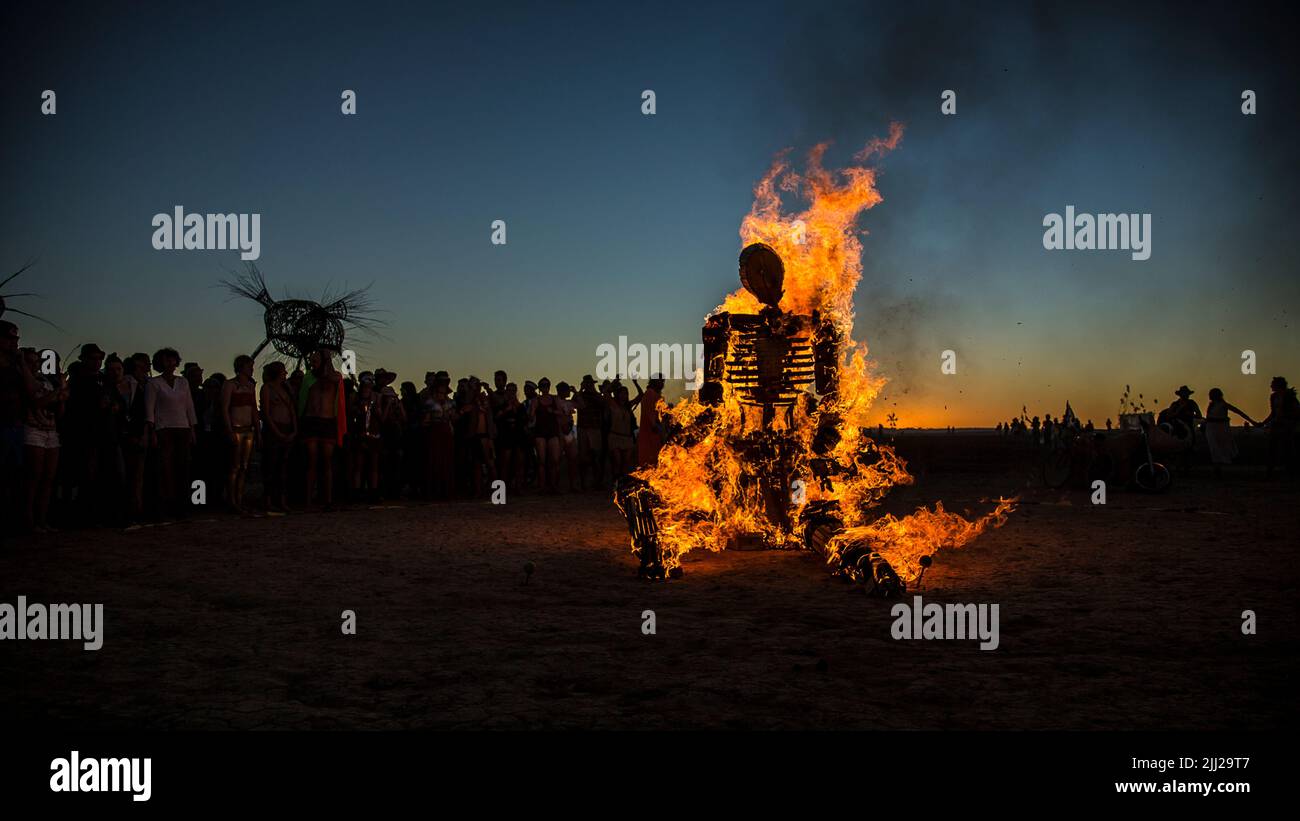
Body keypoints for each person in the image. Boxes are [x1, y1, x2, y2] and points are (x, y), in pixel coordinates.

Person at [144, 348, 197, 518]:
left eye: (173, 360)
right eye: (167, 360)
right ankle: (164, 505)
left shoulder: (183, 382)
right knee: (165, 468)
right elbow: (149, 409)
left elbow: (189, 406)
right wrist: (151, 431)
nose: (171, 363)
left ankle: (182, 505)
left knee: (183, 466)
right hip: (164, 427)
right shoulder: (154, 383)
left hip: (182, 427)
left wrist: (192, 428)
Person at [22, 348, 66, 532]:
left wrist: (61, 397)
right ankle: (29, 520)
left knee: (48, 478)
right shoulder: (26, 381)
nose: (36, 365)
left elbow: (59, 411)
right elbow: (35, 402)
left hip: (51, 429)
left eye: (37, 361)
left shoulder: (47, 381)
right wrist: (57, 393)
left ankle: (42, 519)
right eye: (31, 361)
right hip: (33, 429)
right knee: (34, 477)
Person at [301, 348, 344, 511]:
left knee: (326, 462)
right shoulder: (308, 378)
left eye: (316, 360)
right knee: (311, 461)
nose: (313, 363)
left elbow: (334, 378)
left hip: (327, 421)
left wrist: (327, 358)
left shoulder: (334, 377)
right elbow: (304, 401)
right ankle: (308, 500)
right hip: (311, 421)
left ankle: (327, 499)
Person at [220, 355, 259, 513]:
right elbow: (224, 408)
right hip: (236, 429)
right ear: (242, 367)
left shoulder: (250, 386)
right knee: (234, 467)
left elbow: (254, 410)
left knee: (243, 466)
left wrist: (257, 430)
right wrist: (229, 430)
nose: (252, 369)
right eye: (250, 366)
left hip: (248, 429)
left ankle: (240, 499)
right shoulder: (230, 385)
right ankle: (232, 500)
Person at [259, 361, 296, 512]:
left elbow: (292, 410)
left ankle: (281, 500)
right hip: (273, 430)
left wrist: (294, 429)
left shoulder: (286, 389)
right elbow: (266, 413)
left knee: (283, 469)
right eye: (283, 371)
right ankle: (268, 500)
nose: (286, 374)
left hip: (287, 428)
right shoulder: (267, 388)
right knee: (271, 467)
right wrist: (277, 432)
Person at [1202, 388, 1256, 478]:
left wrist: (1252, 421)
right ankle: (1217, 469)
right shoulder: (1211, 405)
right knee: (1214, 447)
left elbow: (1239, 412)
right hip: (1211, 428)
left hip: (1221, 429)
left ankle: (1218, 468)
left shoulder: (1223, 405)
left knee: (1220, 447)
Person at [348, 372, 383, 502]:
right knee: (358, 464)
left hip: (373, 432)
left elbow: (381, 417)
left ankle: (373, 491)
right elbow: (350, 415)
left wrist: (375, 409)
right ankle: (356, 492)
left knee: (374, 464)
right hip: (359, 432)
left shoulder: (377, 397)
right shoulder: (354, 397)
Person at [1258, 376, 1300, 478]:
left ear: (1278, 385)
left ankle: (1290, 472)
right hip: (1277, 424)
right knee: (1272, 448)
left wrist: (1291, 421)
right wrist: (1263, 423)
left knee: (1288, 448)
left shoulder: (1289, 396)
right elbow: (1273, 413)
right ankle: (1270, 472)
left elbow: (1297, 411)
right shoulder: (1273, 397)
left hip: (1287, 425)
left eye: (1272, 384)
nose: (1271, 386)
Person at [530, 377, 562, 493]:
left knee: (555, 460)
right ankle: (542, 487)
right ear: (540, 387)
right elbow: (531, 416)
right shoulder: (536, 400)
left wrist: (552, 412)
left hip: (552, 432)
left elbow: (561, 413)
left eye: (546, 385)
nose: (545, 387)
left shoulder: (555, 399)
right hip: (540, 432)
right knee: (542, 461)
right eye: (543, 385)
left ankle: (554, 486)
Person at [575, 375, 605, 490]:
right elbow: (573, 402)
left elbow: (602, 404)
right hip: (584, 428)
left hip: (595, 428)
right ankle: (584, 483)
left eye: (590, 383)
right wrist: (580, 391)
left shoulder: (597, 396)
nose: (589, 385)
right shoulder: (580, 395)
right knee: (584, 457)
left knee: (596, 456)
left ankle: (596, 482)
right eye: (587, 383)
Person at [635, 375, 665, 467]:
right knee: (649, 460)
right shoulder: (650, 393)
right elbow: (649, 411)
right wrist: (654, 425)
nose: (662, 383)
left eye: (662, 381)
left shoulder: (657, 395)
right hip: (650, 431)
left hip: (656, 431)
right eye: (659, 380)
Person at [555, 381, 579, 492]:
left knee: (572, 460)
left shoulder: (569, 402)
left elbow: (581, 405)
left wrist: (576, 392)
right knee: (557, 460)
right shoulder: (555, 401)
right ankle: (557, 485)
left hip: (569, 431)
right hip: (559, 432)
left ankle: (572, 485)